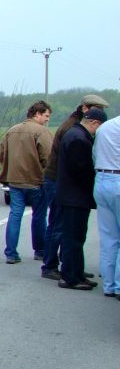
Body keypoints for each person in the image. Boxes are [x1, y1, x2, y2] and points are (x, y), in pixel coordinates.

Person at [42, 94, 110, 279]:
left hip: (61, 178)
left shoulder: (77, 125)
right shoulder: (72, 128)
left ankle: (70, 266)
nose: (100, 113)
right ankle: (50, 265)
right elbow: (76, 164)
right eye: (97, 109)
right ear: (85, 108)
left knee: (68, 227)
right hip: (58, 178)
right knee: (59, 224)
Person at [56, 107, 107, 290]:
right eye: (99, 127)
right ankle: (71, 277)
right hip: (75, 196)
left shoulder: (75, 134)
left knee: (76, 237)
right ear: (94, 123)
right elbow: (81, 171)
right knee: (73, 238)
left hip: (71, 195)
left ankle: (76, 272)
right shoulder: (79, 138)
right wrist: (93, 186)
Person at [0, 100, 53, 264]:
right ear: (37, 114)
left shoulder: (11, 131)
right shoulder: (42, 132)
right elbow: (49, 157)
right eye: (46, 116)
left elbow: (1, 155)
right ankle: (40, 250)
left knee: (15, 215)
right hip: (37, 181)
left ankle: (11, 253)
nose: (48, 119)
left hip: (14, 182)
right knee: (39, 216)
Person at [93, 113, 120, 299]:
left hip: (101, 179)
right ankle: (119, 286)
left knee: (108, 237)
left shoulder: (105, 127)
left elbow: (95, 154)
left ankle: (109, 285)